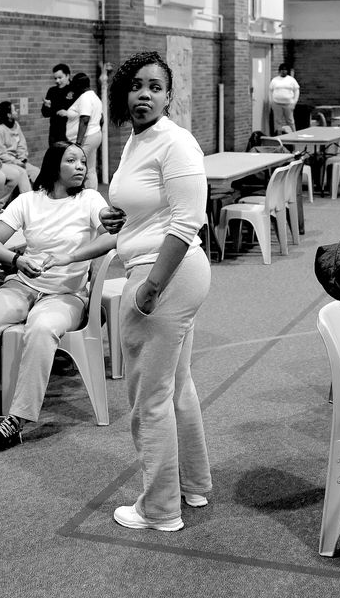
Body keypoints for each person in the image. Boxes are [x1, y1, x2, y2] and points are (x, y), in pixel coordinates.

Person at [97, 50, 212, 533]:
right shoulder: (136, 139)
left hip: (166, 274)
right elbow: (151, 206)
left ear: (168, 96)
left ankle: (159, 509)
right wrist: (119, 220)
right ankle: (194, 485)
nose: (143, 94)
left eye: (155, 87)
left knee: (149, 397)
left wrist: (150, 289)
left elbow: (188, 220)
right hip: (160, 266)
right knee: (176, 386)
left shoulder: (175, 142)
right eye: (136, 85)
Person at [0, 142, 110, 450]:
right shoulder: (28, 201)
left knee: (40, 329)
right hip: (24, 285)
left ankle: (17, 420)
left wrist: (69, 259)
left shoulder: (90, 199)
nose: (82, 166)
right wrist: (17, 260)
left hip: (66, 295)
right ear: (55, 167)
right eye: (73, 161)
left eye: (83, 161)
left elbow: (112, 236)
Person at [61, 72, 105, 190]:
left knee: (78, 167)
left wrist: (78, 143)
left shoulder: (85, 98)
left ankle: (80, 194)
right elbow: (102, 119)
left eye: (74, 84)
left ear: (79, 85)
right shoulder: (95, 97)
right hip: (95, 134)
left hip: (86, 138)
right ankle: (92, 194)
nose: (73, 87)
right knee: (90, 168)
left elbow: (85, 120)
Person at [0, 100, 39, 189]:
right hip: (6, 163)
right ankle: (27, 201)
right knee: (22, 173)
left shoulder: (16, 125)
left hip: (19, 161)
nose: (17, 111)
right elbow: (0, 154)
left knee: (36, 172)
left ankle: (41, 199)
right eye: (14, 110)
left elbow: (22, 144)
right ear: (9, 115)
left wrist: (23, 158)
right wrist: (16, 161)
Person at [41, 62, 79, 145]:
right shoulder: (52, 91)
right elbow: (45, 113)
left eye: (60, 77)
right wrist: (47, 106)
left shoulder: (75, 90)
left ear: (68, 76)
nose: (57, 81)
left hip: (71, 131)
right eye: (55, 78)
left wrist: (67, 113)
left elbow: (81, 111)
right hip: (55, 132)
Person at [268, 64, 300, 134]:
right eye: (282, 70)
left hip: (288, 104)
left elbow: (296, 90)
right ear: (279, 71)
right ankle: (278, 136)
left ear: (287, 71)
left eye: (285, 70)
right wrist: (271, 102)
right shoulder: (275, 80)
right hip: (277, 104)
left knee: (290, 120)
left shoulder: (291, 80)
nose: (283, 72)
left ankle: (294, 134)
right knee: (277, 121)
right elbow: (270, 91)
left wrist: (294, 102)